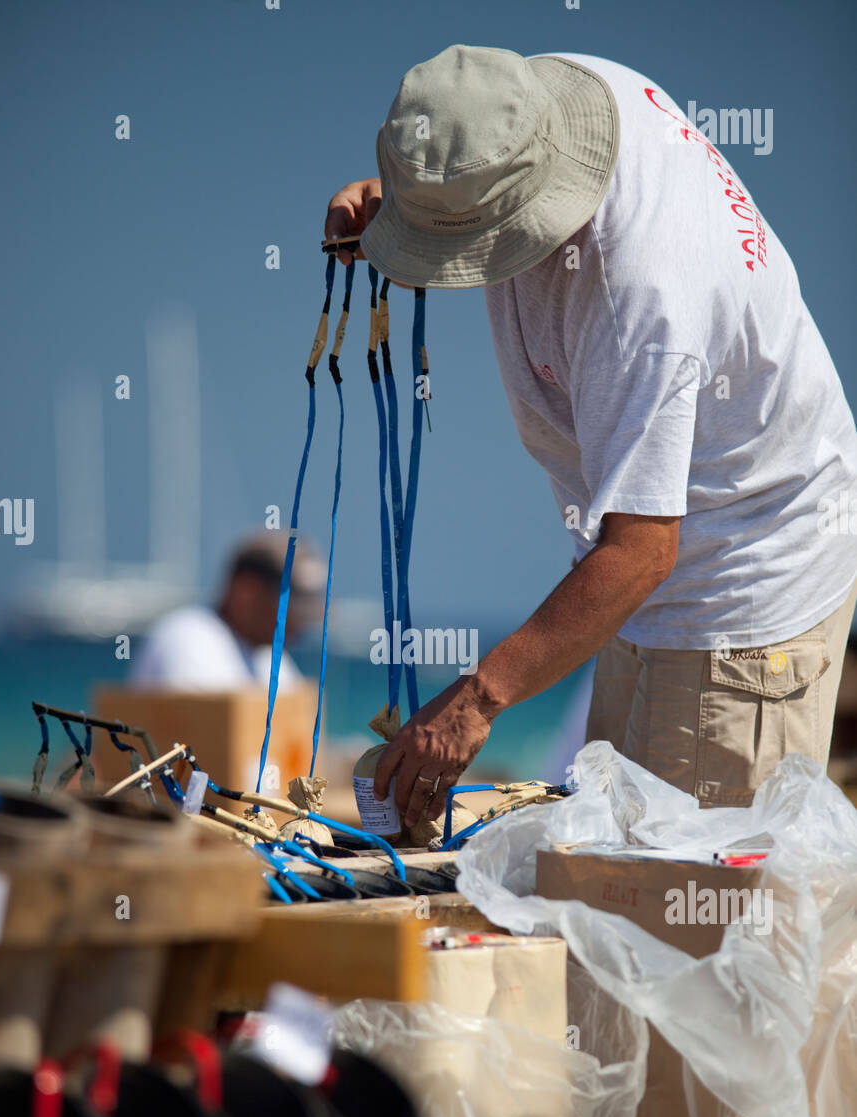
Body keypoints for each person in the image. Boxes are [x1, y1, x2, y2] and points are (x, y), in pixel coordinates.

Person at [324, 44, 857, 828]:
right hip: (639, 575)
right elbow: (476, 159)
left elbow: (643, 550)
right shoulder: (549, 99)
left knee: (697, 918)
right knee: (614, 860)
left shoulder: (639, 303)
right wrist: (402, 205)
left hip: (741, 577)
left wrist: (476, 701)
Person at [130, 532, 325, 691]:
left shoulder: (271, 659)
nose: (298, 627)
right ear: (247, 592)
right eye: (290, 612)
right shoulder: (188, 640)